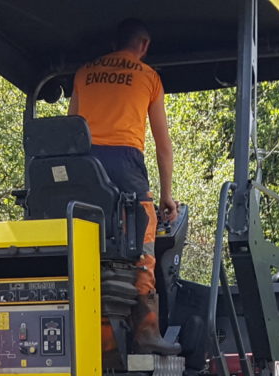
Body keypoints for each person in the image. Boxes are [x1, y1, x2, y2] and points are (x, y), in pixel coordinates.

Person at [70, 17, 180, 356]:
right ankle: (146, 330)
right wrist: (165, 196)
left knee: (89, 246)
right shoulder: (149, 77)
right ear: (143, 45)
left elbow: (70, 128)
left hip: (86, 166)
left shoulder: (85, 72)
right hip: (126, 163)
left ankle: (99, 339)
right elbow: (163, 145)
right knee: (142, 241)